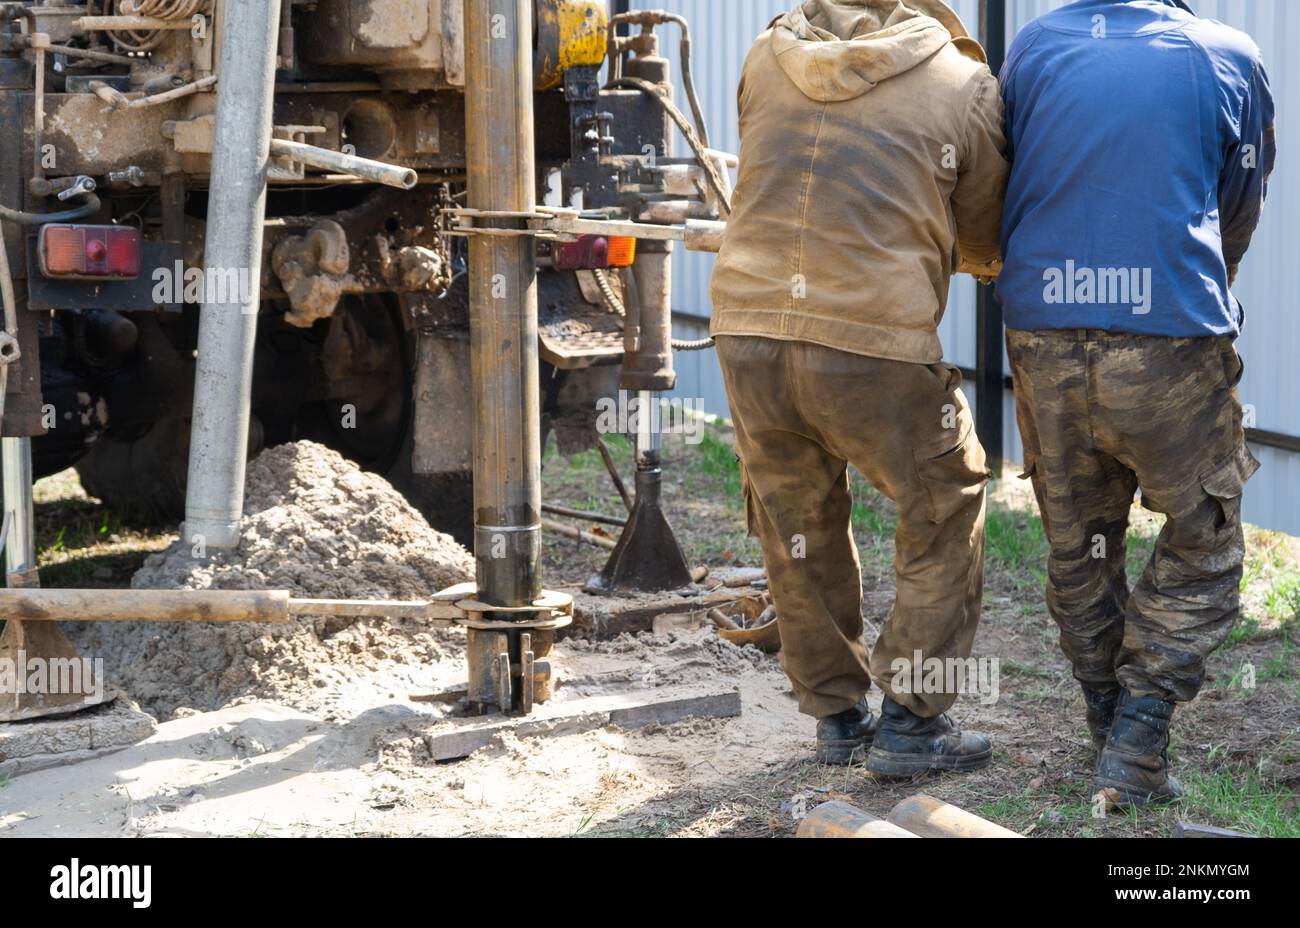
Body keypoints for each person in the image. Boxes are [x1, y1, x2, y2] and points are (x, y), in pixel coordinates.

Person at [710, 0, 1008, 774]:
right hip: (874, 342)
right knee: (946, 496)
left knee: (794, 517)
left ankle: (837, 718)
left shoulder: (763, 58)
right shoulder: (963, 81)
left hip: (747, 330)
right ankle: (912, 722)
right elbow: (983, 237)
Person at [998, 0, 1276, 806]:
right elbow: (1240, 200)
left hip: (1042, 325)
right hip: (1169, 334)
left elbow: (1000, 172)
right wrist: (1192, 286)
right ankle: (1138, 735)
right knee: (1205, 536)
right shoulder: (1227, 53)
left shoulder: (1036, 46)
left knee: (1078, 543)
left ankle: (1107, 727)